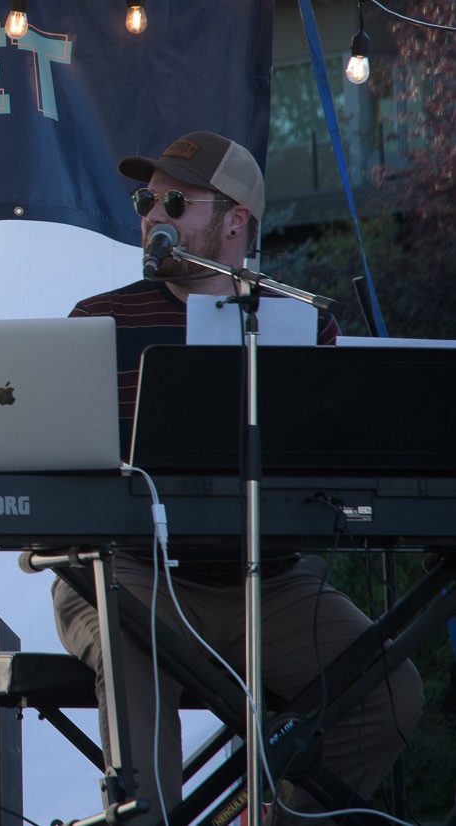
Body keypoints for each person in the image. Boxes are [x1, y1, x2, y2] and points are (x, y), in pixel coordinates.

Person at [53, 131, 422, 824]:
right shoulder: (97, 320)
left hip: (275, 584)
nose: (152, 217)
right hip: (132, 574)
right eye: (144, 201)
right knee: (134, 642)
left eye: (172, 201)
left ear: (233, 221)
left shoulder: (303, 325)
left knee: (391, 689)